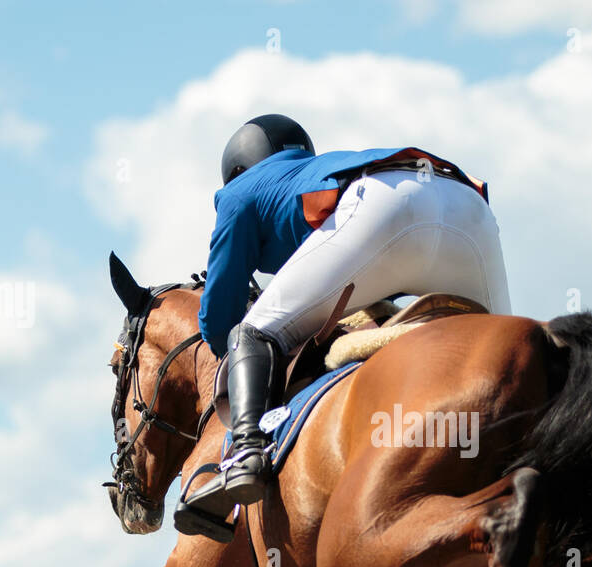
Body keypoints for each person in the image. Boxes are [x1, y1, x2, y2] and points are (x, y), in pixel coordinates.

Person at [180, 113, 511, 521]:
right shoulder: (317, 170)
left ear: (236, 170)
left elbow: (219, 317)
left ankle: (246, 452)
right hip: (466, 203)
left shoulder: (239, 191)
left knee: (252, 332)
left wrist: (226, 349)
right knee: (507, 361)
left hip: (383, 206)